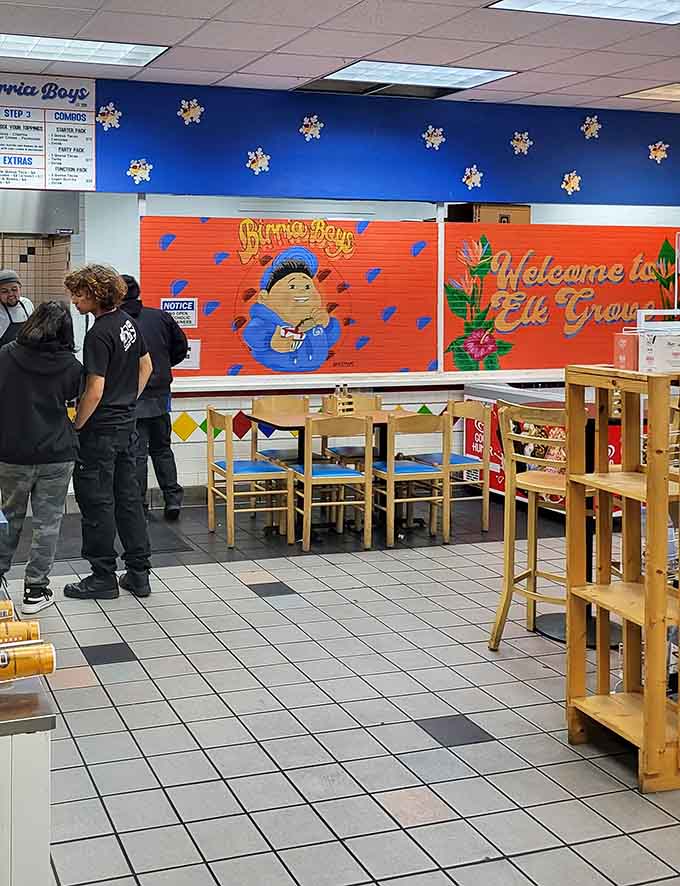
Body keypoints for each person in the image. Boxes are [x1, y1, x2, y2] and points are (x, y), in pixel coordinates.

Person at [64, 264, 154, 601]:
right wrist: (128, 400)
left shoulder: (98, 333)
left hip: (100, 431)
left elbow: (95, 389)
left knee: (97, 502)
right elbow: (147, 366)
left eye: (79, 294)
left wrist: (78, 424)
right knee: (128, 500)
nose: (74, 300)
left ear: (96, 294)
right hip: (126, 427)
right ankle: (138, 574)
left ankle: (102, 576)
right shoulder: (129, 323)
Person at [0, 302, 82, 613]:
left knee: (7, 517)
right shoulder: (71, 366)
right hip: (56, 454)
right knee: (48, 524)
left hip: (12, 452)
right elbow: (79, 398)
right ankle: (35, 591)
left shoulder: (5, 355)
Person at [120, 274, 188, 520]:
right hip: (160, 394)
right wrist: (164, 364)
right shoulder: (160, 316)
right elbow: (181, 346)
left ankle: (139, 505)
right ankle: (172, 500)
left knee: (137, 454)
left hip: (132, 396)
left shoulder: (117, 322)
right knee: (162, 449)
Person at [243, 246, 340, 372]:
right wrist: (270, 340)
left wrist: (328, 325)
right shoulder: (265, 322)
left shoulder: (315, 322)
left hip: (316, 375)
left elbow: (332, 338)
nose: (302, 291)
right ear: (264, 297)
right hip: (273, 371)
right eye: (293, 286)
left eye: (307, 286)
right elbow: (252, 334)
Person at [0, 269, 34, 348]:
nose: (11, 294)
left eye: (14, 289)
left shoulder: (27, 304)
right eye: (4, 291)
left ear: (20, 288)